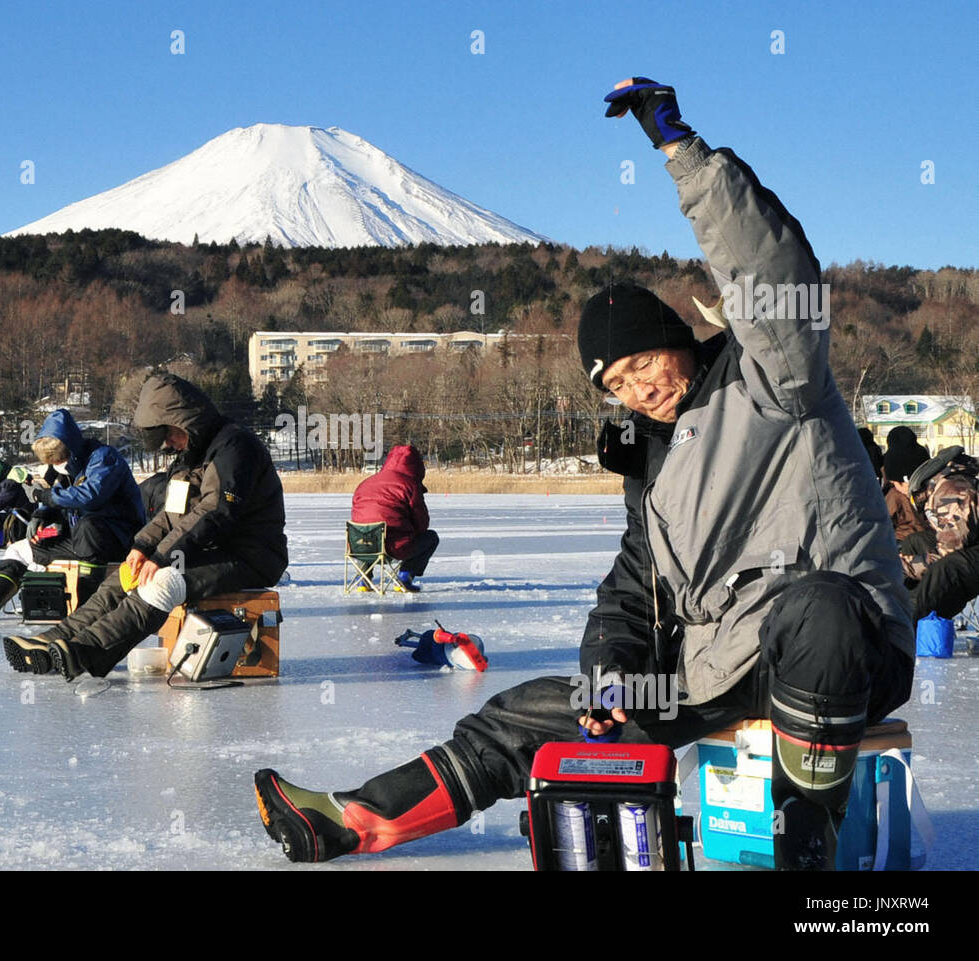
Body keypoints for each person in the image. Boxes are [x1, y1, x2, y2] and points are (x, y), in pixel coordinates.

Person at [252, 77, 914, 871]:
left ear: (679, 340)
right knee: (522, 713)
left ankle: (811, 843)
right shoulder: (653, 468)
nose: (640, 390)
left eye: (643, 364)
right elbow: (632, 591)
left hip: (845, 652)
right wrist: (609, 677)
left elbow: (776, 275)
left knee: (819, 609)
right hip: (719, 670)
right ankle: (354, 818)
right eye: (618, 385)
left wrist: (682, 152)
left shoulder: (774, 378)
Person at [0, 373, 287, 680]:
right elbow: (171, 514)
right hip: (206, 551)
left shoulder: (234, 447)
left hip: (251, 556)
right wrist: (141, 547)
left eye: (170, 433)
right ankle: (57, 638)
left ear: (186, 420)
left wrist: (162, 557)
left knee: (161, 583)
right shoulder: (189, 457)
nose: (169, 443)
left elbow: (215, 510)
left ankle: (85, 651)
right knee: (123, 578)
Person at [0, 409, 144, 621]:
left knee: (88, 526)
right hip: (84, 541)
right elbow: (61, 501)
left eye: (58, 460)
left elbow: (89, 497)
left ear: (69, 450)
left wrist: (46, 497)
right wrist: (43, 515)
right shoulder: (67, 471)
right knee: (19, 550)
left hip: (120, 539)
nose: (56, 466)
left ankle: (86, 609)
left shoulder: (104, 458)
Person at [902, 446, 979, 620]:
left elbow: (947, 554)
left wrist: (901, 566)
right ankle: (903, 603)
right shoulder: (942, 487)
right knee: (915, 542)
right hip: (972, 545)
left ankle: (910, 621)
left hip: (967, 553)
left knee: (946, 570)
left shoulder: (952, 491)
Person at [350, 444, 438, 591]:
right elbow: (422, 523)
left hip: (358, 546)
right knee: (431, 538)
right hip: (394, 547)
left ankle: (363, 578)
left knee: (368, 533)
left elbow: (358, 515)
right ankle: (405, 576)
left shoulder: (366, 483)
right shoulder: (409, 485)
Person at [882, 439, 929, 542]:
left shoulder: (896, 495)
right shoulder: (896, 495)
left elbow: (880, 523)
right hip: (910, 542)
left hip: (908, 542)